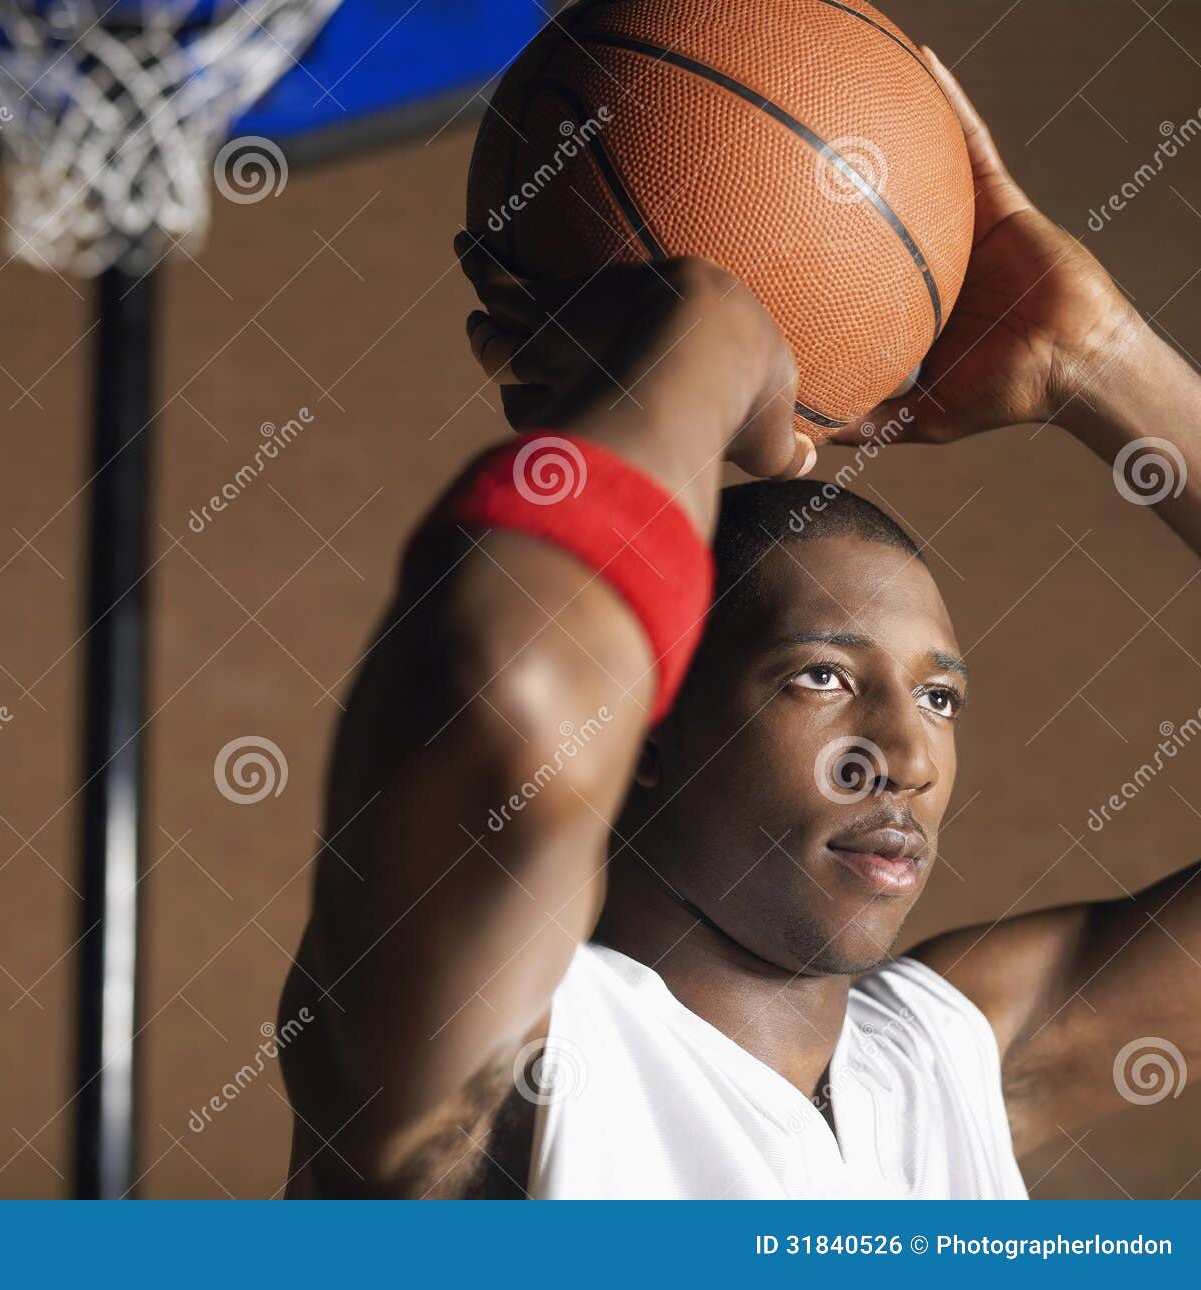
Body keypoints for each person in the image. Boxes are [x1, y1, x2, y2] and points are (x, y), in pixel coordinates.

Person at [276, 48, 1201, 1198]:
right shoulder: (510, 1057)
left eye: (939, 695)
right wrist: (707, 331)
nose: (906, 757)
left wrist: (1094, 357)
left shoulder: (946, 1068)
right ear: (645, 730)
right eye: (821, 677)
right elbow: (512, 691)